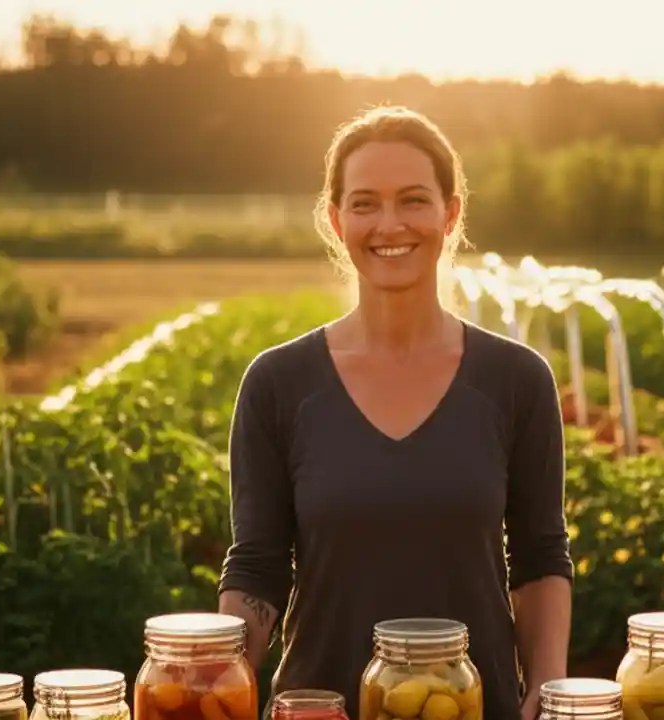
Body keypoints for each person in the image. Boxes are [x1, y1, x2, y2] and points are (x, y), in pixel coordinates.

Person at [217, 105, 573, 720]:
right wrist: (213, 680)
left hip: (472, 709)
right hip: (318, 709)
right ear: (334, 220)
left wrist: (545, 683)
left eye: (413, 199)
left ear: (450, 212)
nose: (389, 224)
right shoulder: (278, 384)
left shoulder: (517, 381)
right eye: (363, 203)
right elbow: (257, 564)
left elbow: (540, 554)